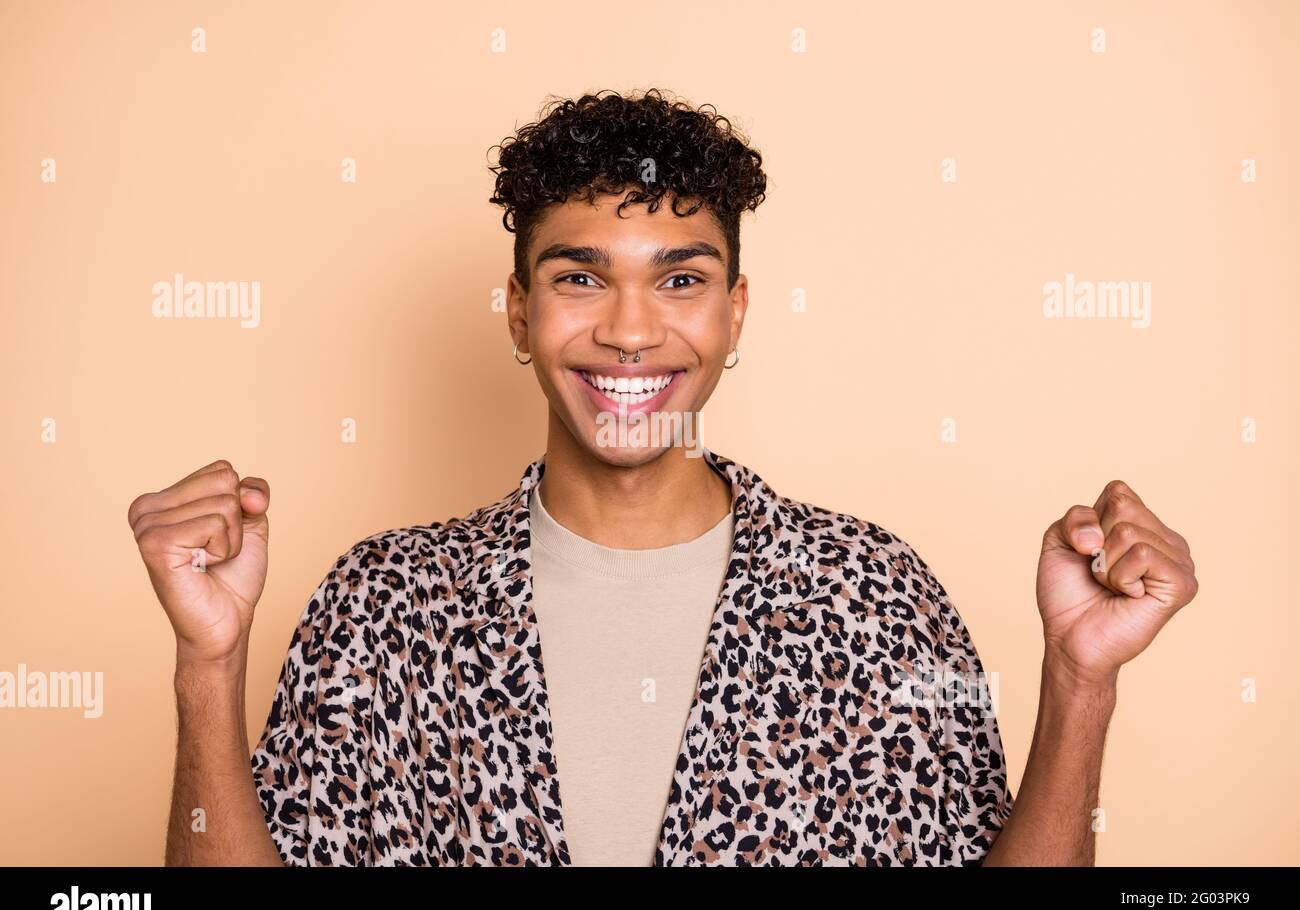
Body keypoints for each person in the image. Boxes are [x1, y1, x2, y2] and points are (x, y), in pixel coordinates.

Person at [127, 88, 1197, 866]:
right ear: (518, 311)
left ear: (735, 312)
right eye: (580, 277)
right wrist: (206, 662)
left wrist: (1078, 680)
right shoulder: (387, 602)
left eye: (679, 279)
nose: (630, 332)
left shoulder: (874, 596)